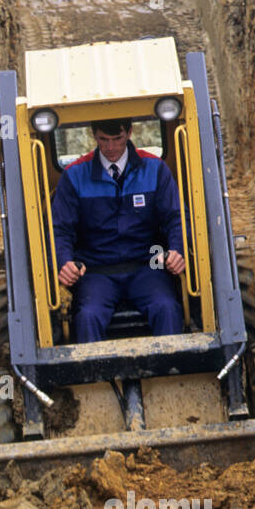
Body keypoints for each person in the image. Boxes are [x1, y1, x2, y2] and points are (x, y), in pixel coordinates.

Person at [51, 118, 186, 344]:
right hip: (95, 270)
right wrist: (64, 261)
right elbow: (60, 229)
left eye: (117, 139)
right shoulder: (74, 175)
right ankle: (94, 377)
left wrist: (177, 250)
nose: (111, 147)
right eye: (104, 140)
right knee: (87, 317)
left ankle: (174, 372)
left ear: (130, 133)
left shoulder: (155, 168)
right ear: (93, 135)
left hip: (149, 264)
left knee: (168, 308)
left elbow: (176, 217)